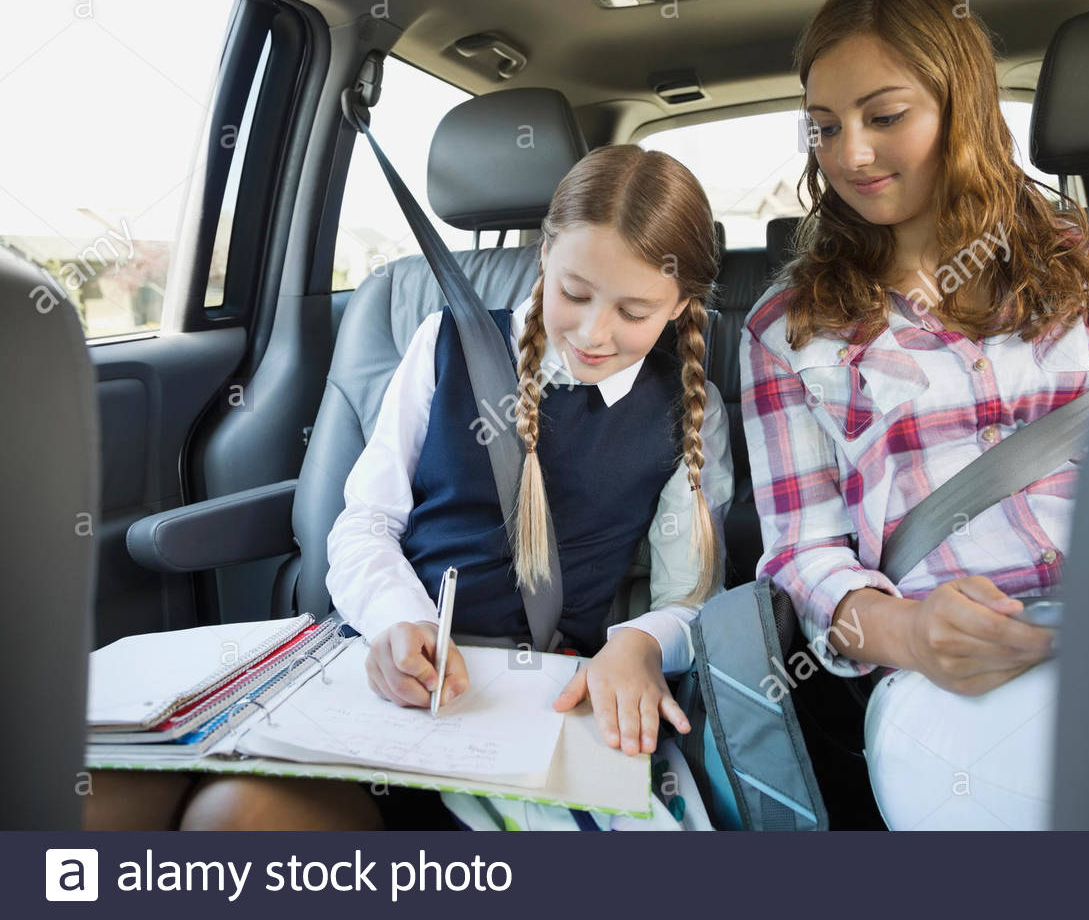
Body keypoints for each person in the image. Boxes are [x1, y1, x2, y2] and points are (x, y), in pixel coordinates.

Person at [84, 145, 733, 830]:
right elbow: (364, 521)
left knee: (235, 818)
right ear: (545, 258)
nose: (595, 332)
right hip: (385, 667)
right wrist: (399, 620)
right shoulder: (446, 342)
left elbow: (691, 599)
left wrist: (639, 646)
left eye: (634, 311)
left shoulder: (688, 411)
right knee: (94, 790)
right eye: (574, 294)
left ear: (680, 304)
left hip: (532, 693)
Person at [739, 0, 1089, 820]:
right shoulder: (786, 328)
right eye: (824, 127)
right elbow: (800, 555)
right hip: (949, 681)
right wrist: (911, 635)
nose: (849, 154)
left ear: (962, 103)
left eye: (885, 116)